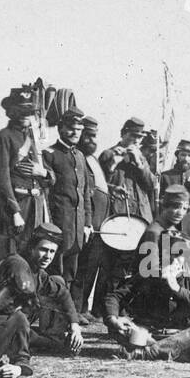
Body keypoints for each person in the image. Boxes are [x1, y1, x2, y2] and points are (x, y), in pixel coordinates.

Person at [103, 186, 190, 361]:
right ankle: (171, 350)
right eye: (171, 254)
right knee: (117, 327)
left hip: (180, 333)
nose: (176, 260)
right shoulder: (151, 271)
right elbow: (114, 296)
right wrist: (113, 319)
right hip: (149, 332)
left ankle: (148, 353)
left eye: (181, 255)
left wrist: (178, 290)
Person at [0, 85, 48, 257]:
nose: (25, 115)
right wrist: (15, 211)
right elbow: (1, 178)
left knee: (30, 257)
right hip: (12, 207)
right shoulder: (3, 137)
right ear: (11, 112)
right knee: (10, 258)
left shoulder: (32, 139)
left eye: (29, 111)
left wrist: (43, 173)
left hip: (33, 208)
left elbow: (49, 175)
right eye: (20, 111)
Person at [6, 227, 83, 355]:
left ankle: (50, 338)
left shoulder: (38, 272)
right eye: (44, 250)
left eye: (52, 252)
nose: (48, 256)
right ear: (31, 248)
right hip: (3, 327)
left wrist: (75, 326)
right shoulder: (17, 265)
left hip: (19, 325)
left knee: (57, 280)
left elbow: (62, 293)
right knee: (56, 346)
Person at [42, 109, 93, 295]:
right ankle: (51, 313)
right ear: (61, 128)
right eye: (71, 128)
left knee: (71, 269)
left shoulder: (80, 156)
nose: (75, 133)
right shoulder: (50, 154)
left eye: (79, 129)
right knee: (55, 268)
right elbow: (45, 193)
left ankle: (67, 309)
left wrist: (87, 223)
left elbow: (85, 192)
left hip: (78, 226)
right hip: (59, 222)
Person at [71, 116, 113, 317]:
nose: (92, 140)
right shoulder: (78, 157)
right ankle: (76, 309)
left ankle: (84, 308)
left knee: (92, 266)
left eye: (94, 136)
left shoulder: (93, 159)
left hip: (99, 224)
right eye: (88, 135)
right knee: (81, 267)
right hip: (86, 222)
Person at [98, 117, 157, 224]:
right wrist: (112, 165)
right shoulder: (108, 154)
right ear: (123, 134)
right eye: (133, 135)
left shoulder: (141, 157)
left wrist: (139, 164)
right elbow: (100, 185)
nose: (136, 140)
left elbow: (152, 184)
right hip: (118, 213)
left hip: (142, 215)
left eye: (139, 137)